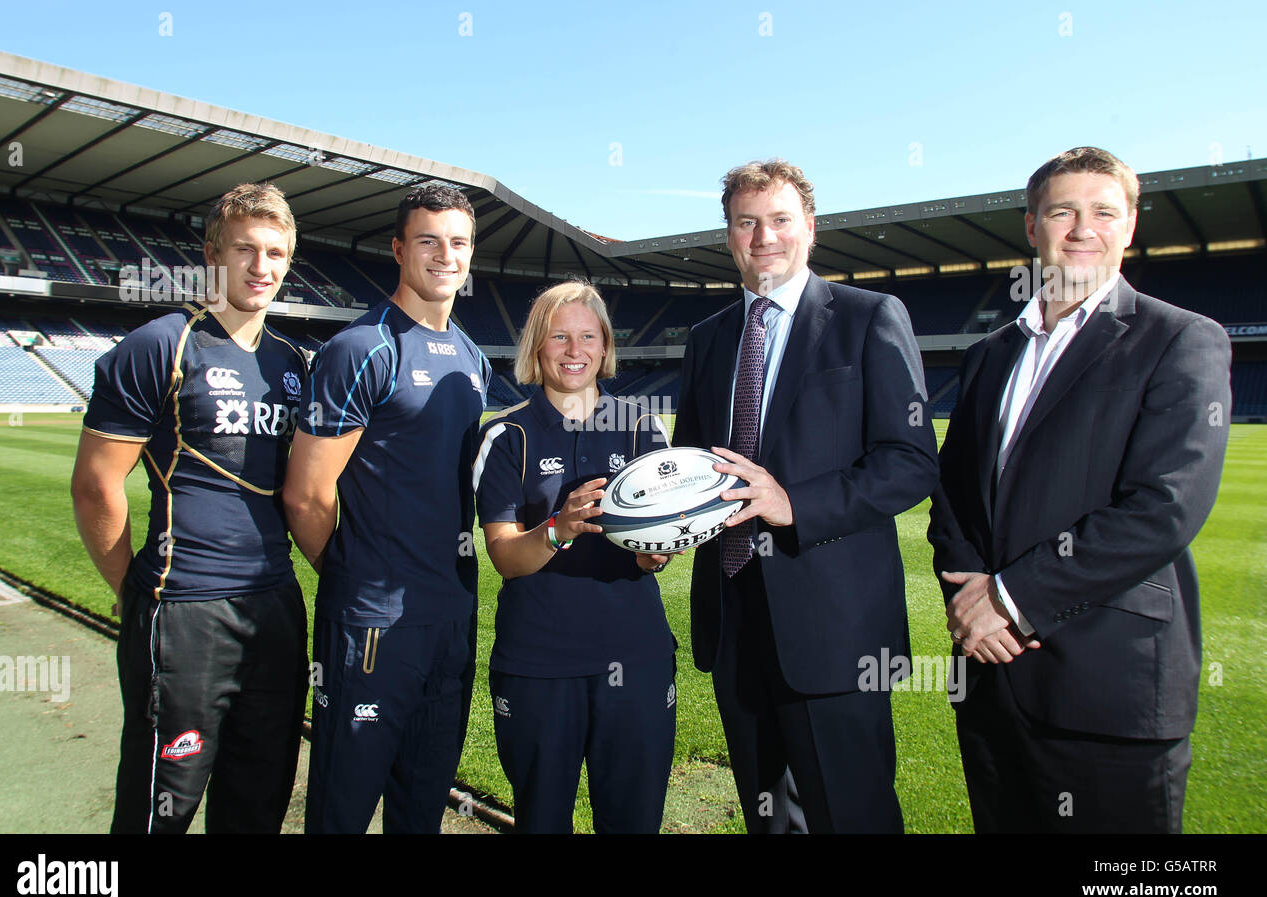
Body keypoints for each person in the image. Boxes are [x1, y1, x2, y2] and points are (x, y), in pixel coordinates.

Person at [927, 147, 1232, 833]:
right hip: (988, 674)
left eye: (1104, 212)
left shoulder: (1181, 339)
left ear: (1129, 227)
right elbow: (951, 493)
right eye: (1063, 211)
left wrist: (1008, 601)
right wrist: (969, 592)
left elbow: (1164, 507)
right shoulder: (989, 354)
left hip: (1107, 684)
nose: (1082, 228)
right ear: (1032, 224)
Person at [672, 159, 938, 833]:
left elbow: (910, 462)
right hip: (733, 616)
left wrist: (796, 503)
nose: (764, 237)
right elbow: (694, 465)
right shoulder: (707, 340)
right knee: (770, 820)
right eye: (746, 222)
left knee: (853, 816)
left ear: (809, 230)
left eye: (781, 220)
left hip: (833, 626)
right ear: (728, 234)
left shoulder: (869, 316)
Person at [71, 182, 309, 834]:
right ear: (212, 255)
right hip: (185, 609)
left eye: (276, 252)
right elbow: (96, 484)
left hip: (276, 607)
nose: (262, 267)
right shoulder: (160, 344)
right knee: (160, 808)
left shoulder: (292, 363)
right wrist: (138, 592)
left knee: (257, 801)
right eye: (245, 250)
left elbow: (303, 488)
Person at [284, 185, 491, 834]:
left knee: (420, 810)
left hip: (452, 619)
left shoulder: (474, 358)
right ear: (399, 249)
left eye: (457, 241)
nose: (443, 254)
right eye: (427, 239)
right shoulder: (362, 349)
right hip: (373, 629)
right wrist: (350, 580)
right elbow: (305, 495)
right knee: (342, 811)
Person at [473, 280, 676, 833]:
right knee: (542, 821)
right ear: (537, 347)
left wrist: (658, 550)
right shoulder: (506, 435)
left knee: (633, 821)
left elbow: (652, 553)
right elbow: (504, 559)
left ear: (605, 347)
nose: (574, 350)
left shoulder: (642, 427)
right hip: (539, 664)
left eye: (588, 336)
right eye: (559, 336)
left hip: (635, 656)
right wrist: (558, 529)